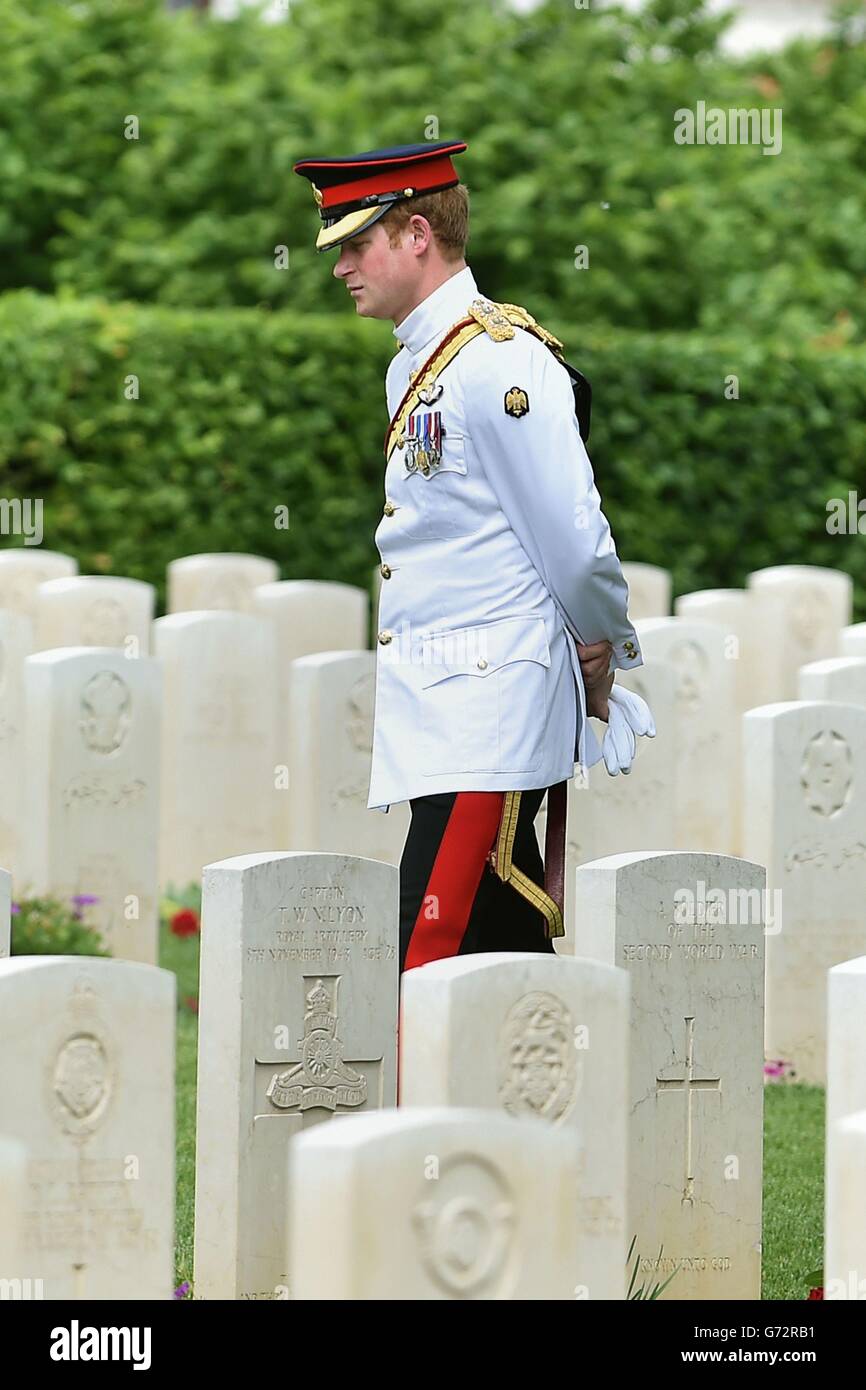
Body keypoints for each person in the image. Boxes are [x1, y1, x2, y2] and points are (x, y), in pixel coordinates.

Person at [294, 139, 654, 973]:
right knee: (497, 959)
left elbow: (572, 535)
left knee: (427, 957)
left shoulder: (499, 362)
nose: (340, 266)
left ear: (417, 233)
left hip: (487, 715)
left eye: (356, 243)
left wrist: (603, 653)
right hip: (444, 715)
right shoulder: (418, 363)